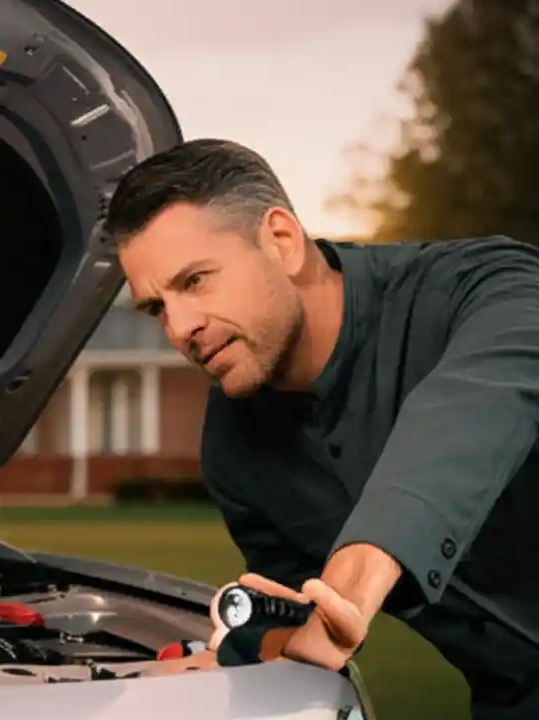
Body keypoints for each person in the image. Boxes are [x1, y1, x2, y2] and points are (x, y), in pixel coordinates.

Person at [103, 138, 539, 719]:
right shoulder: (233, 449)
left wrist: (359, 571)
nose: (181, 328)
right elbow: (298, 628)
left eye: (196, 281)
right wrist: (235, 660)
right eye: (157, 308)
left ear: (280, 240)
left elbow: (472, 409)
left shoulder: (488, 289)